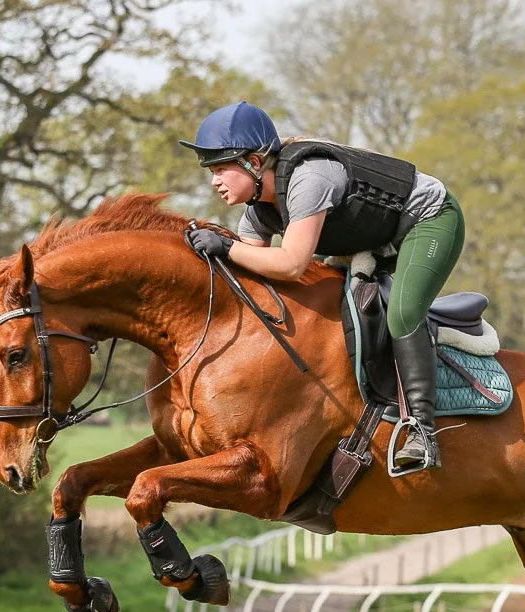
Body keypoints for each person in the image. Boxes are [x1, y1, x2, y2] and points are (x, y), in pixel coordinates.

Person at [179, 101, 465, 473]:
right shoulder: (258, 209)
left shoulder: (309, 178)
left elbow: (292, 264)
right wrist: (211, 256)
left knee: (403, 311)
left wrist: (228, 246)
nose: (214, 181)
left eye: (220, 169)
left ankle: (422, 432)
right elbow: (251, 273)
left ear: (252, 162)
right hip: (375, 237)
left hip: (428, 221)